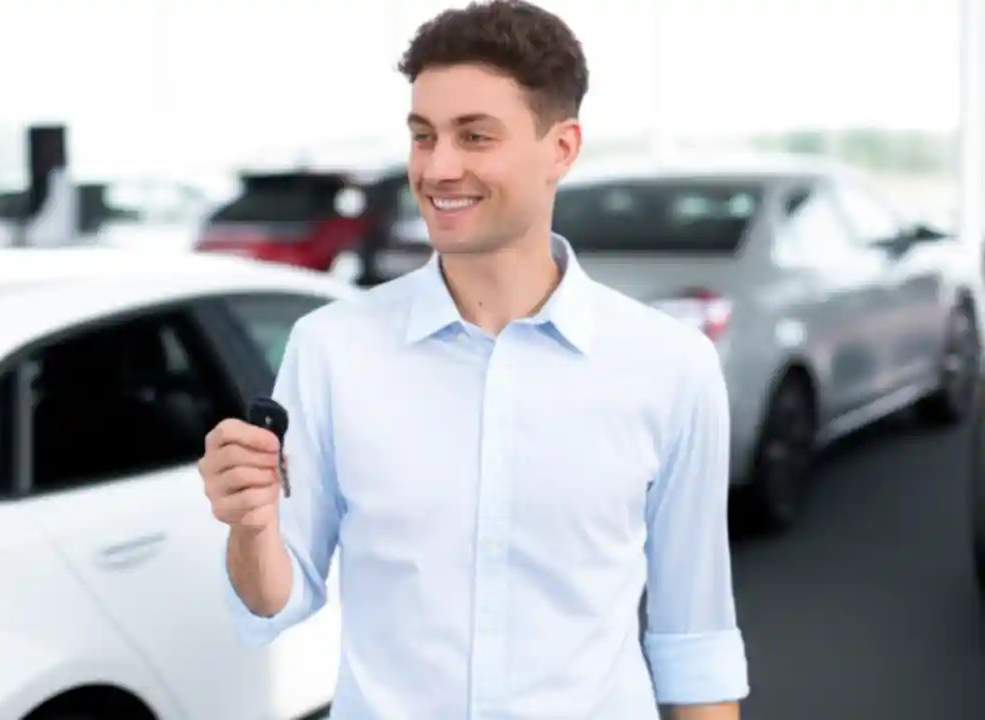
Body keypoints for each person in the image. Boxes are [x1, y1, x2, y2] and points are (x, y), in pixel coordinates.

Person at [196, 1, 749, 717]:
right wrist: (250, 525)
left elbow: (694, 640)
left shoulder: (670, 367)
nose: (437, 168)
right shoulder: (331, 349)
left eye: (474, 136)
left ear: (563, 148)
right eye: (423, 136)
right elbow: (275, 600)